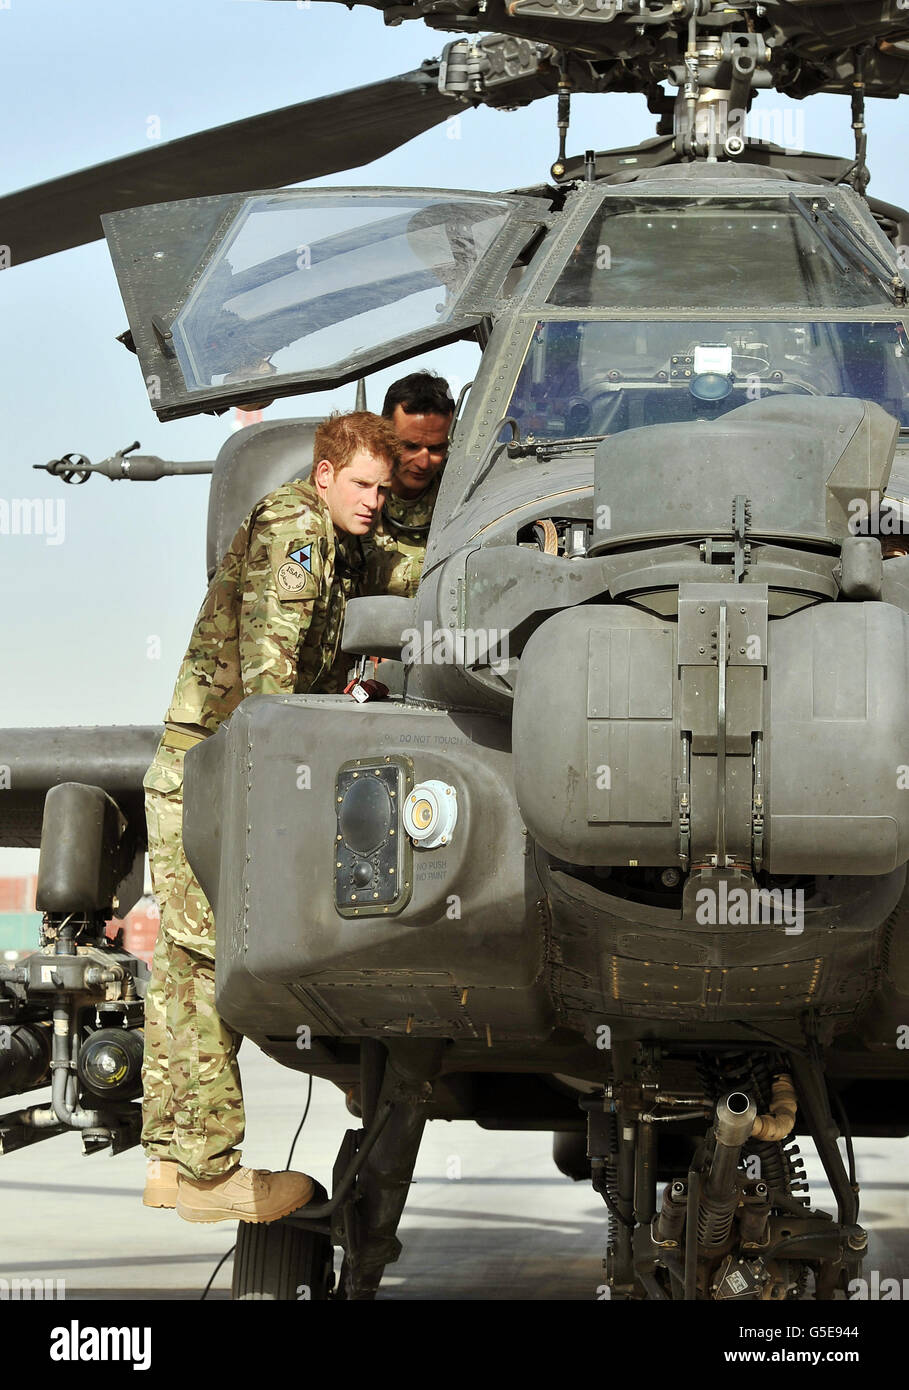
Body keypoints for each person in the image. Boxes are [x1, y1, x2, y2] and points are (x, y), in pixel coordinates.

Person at [141, 411, 399, 1224]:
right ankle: (211, 1173)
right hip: (216, 770)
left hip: (204, 762)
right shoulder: (296, 527)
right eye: (361, 484)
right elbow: (269, 665)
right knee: (211, 966)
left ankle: (171, 1163)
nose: (373, 501)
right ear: (324, 476)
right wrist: (285, 785)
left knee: (185, 967)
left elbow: (397, 562)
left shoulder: (335, 534)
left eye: (383, 490)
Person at [366, 371, 455, 597]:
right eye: (410, 446)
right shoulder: (353, 485)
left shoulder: (460, 487)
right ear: (384, 434)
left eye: (436, 449)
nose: (424, 462)